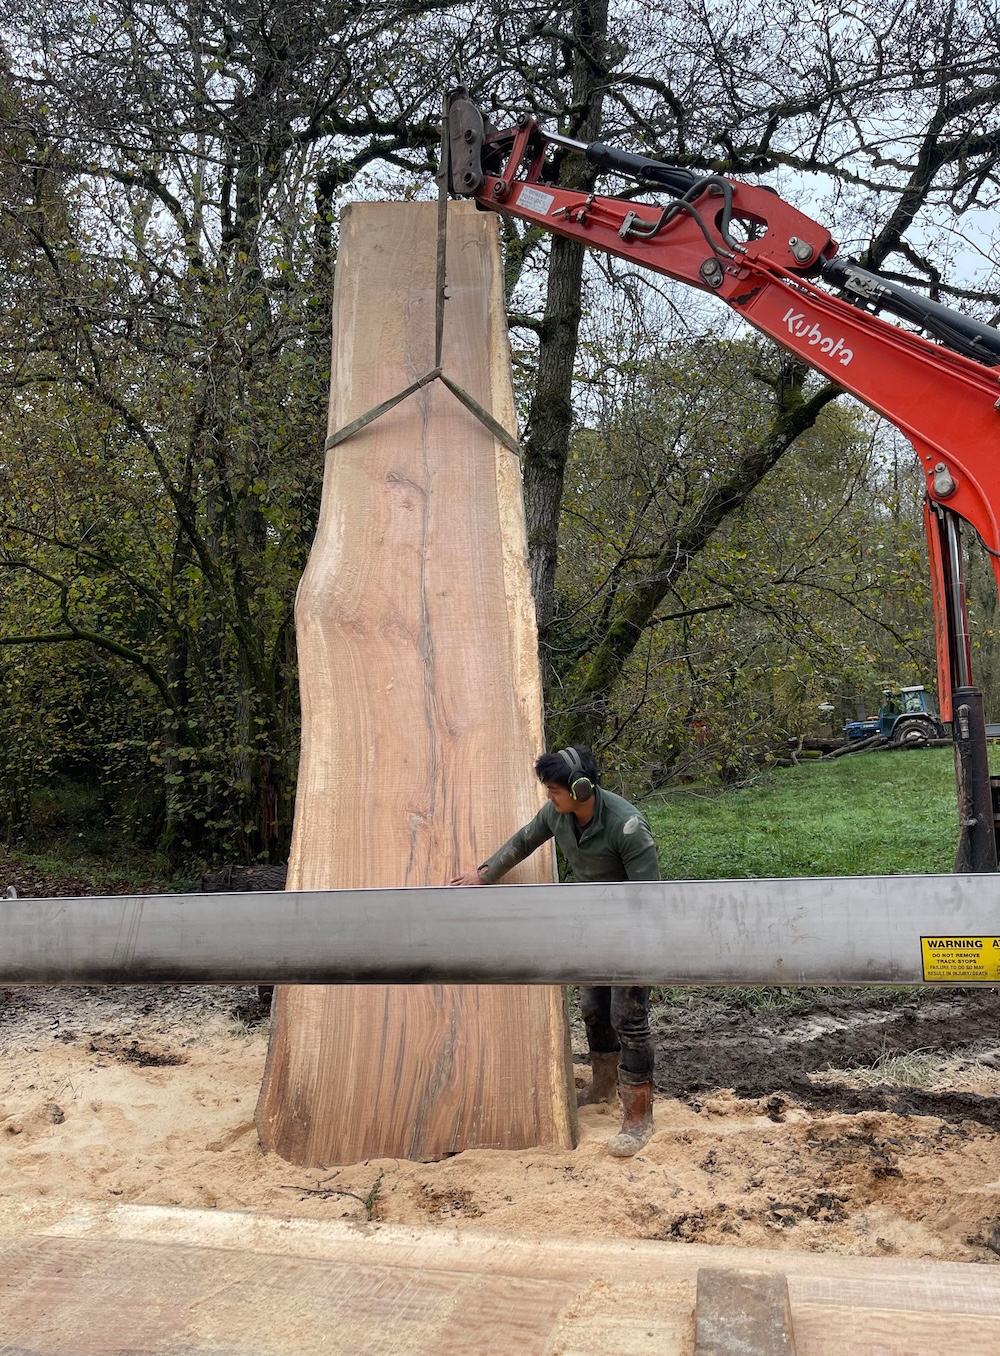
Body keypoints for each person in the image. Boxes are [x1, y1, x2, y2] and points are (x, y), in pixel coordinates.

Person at [450, 745, 661, 1157]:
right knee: (594, 1011)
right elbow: (525, 839)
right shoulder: (558, 816)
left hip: (633, 933)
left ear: (581, 788)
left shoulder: (627, 827)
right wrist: (484, 874)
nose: (549, 797)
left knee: (628, 1019)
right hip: (590, 929)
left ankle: (639, 1116)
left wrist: (640, 953)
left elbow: (651, 898)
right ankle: (603, 1087)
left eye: (553, 790)